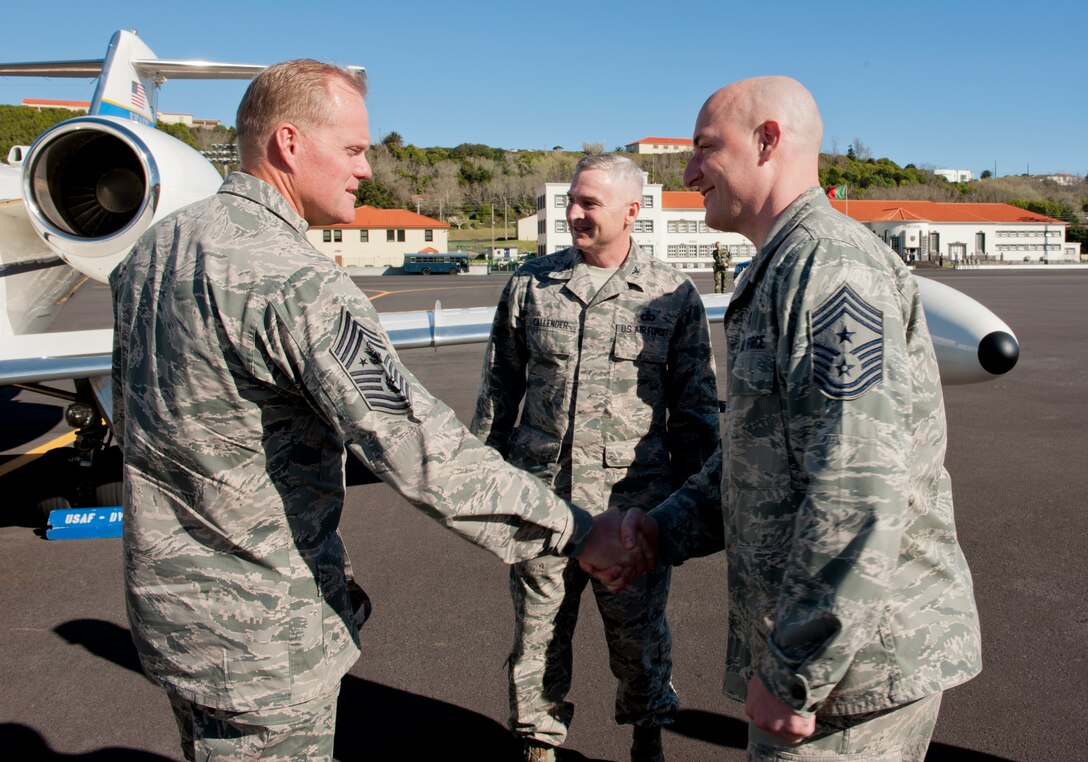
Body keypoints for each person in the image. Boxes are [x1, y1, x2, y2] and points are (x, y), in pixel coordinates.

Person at [110, 60, 646, 762]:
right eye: (356, 149)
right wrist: (577, 530)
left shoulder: (152, 250)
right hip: (262, 633)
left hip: (174, 613)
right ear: (290, 144)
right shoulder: (293, 280)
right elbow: (421, 450)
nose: (366, 170)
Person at [597, 76, 983, 761]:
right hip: (829, 666)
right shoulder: (780, 267)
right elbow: (758, 461)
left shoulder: (830, 268)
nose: (689, 173)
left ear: (767, 140)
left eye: (704, 148)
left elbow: (857, 489)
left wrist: (795, 672)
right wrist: (661, 527)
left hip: (854, 674)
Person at [470, 154, 721, 762]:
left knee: (639, 642)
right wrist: (483, 488)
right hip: (543, 505)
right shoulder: (531, 284)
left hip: (634, 512)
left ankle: (648, 738)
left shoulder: (672, 293)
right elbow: (498, 395)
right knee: (537, 641)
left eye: (590, 204)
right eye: (572, 202)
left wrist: (693, 518)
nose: (574, 214)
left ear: (633, 212)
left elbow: (694, 412)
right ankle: (537, 744)